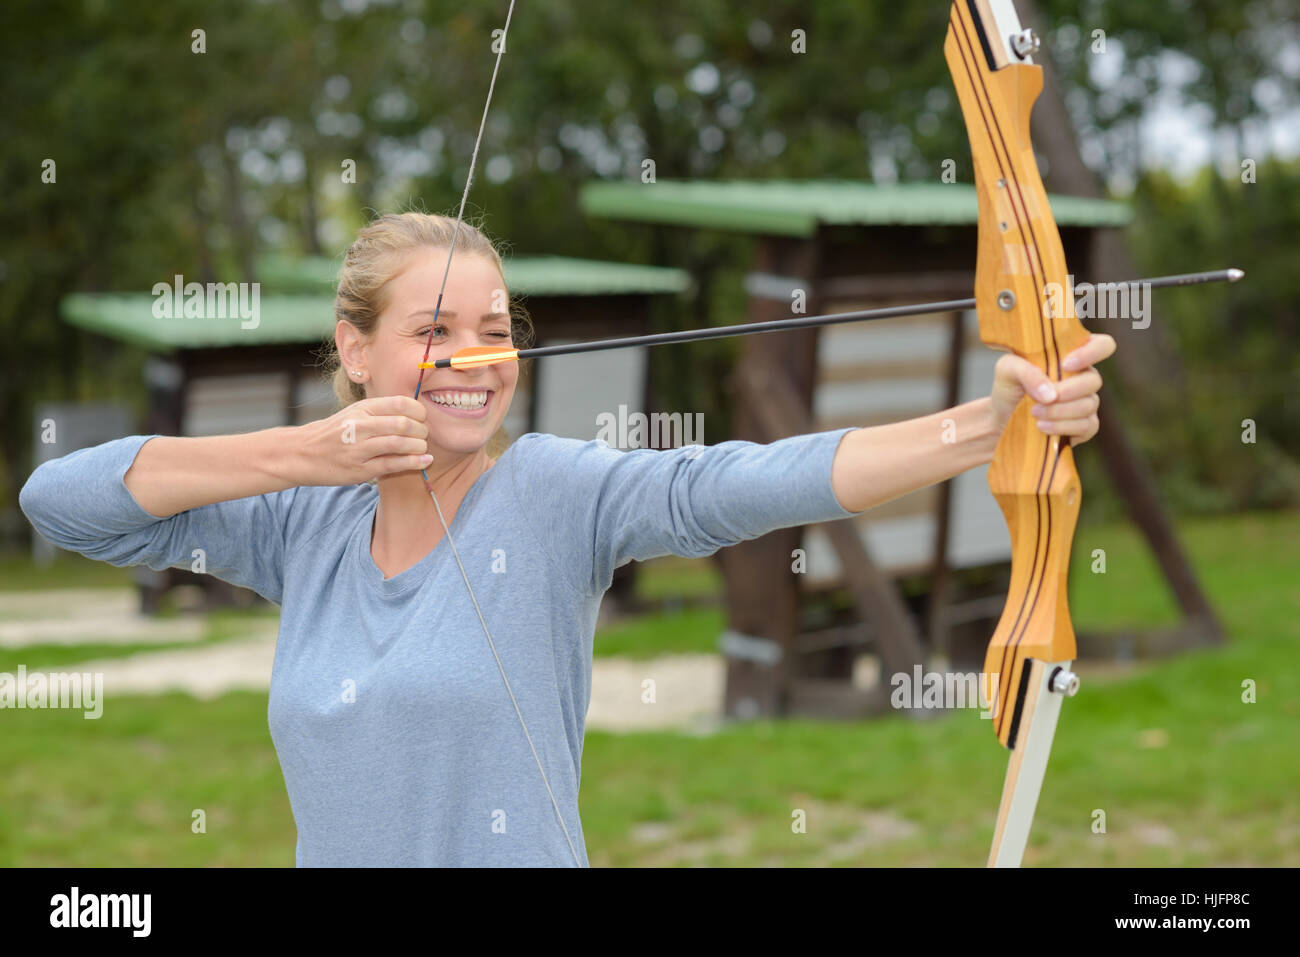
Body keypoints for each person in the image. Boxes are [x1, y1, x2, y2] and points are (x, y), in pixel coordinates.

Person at [19, 211, 1116, 867]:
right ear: (355, 351)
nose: (473, 357)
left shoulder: (549, 494)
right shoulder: (297, 524)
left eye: (494, 333)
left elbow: (741, 483)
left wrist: (991, 425)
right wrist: (305, 453)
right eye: (433, 332)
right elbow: (62, 503)